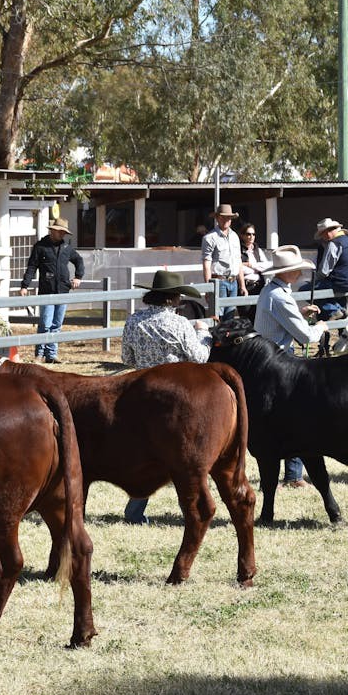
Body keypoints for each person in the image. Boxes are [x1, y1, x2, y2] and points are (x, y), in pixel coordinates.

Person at [121, 270, 212, 524]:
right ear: (172, 298)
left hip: (143, 394)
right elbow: (199, 357)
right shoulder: (180, 324)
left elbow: (127, 358)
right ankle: (192, 508)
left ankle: (135, 511)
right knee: (185, 454)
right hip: (176, 397)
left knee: (147, 454)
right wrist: (204, 334)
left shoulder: (133, 321)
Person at [254, 245, 329, 489]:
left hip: (271, 361)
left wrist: (300, 313)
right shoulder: (279, 296)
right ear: (286, 272)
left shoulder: (271, 291)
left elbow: (282, 322)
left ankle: (290, 474)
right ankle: (293, 475)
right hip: (277, 363)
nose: (300, 273)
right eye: (296, 269)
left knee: (285, 417)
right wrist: (321, 328)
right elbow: (306, 337)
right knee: (295, 416)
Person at [19, 217, 85, 363]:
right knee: (45, 324)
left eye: (64, 232)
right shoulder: (40, 247)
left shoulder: (67, 248)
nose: (62, 234)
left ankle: (51, 355)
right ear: (52, 231)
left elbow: (79, 260)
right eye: (60, 231)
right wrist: (25, 285)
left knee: (57, 325)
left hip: (63, 291)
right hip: (46, 291)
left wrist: (78, 277)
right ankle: (39, 354)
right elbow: (32, 267)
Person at [299, 218, 348, 321]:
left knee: (304, 291)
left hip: (338, 282)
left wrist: (315, 282)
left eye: (322, 235)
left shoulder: (334, 243)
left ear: (327, 232)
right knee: (319, 293)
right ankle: (339, 311)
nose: (323, 238)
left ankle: (334, 310)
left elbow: (324, 271)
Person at [202, 204, 247, 319]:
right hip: (219, 281)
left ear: (231, 219)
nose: (226, 220)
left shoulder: (235, 237)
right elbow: (206, 264)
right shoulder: (209, 238)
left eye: (228, 217)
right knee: (218, 316)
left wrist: (242, 285)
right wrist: (208, 288)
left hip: (233, 281)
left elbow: (238, 262)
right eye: (223, 217)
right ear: (217, 218)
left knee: (230, 316)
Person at [238, 223, 271, 320]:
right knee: (246, 315)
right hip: (246, 285)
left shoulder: (257, 250)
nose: (251, 236)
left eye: (253, 234)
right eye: (248, 234)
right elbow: (239, 268)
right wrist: (256, 267)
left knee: (259, 315)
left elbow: (267, 266)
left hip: (259, 285)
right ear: (242, 235)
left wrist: (250, 265)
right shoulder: (238, 250)